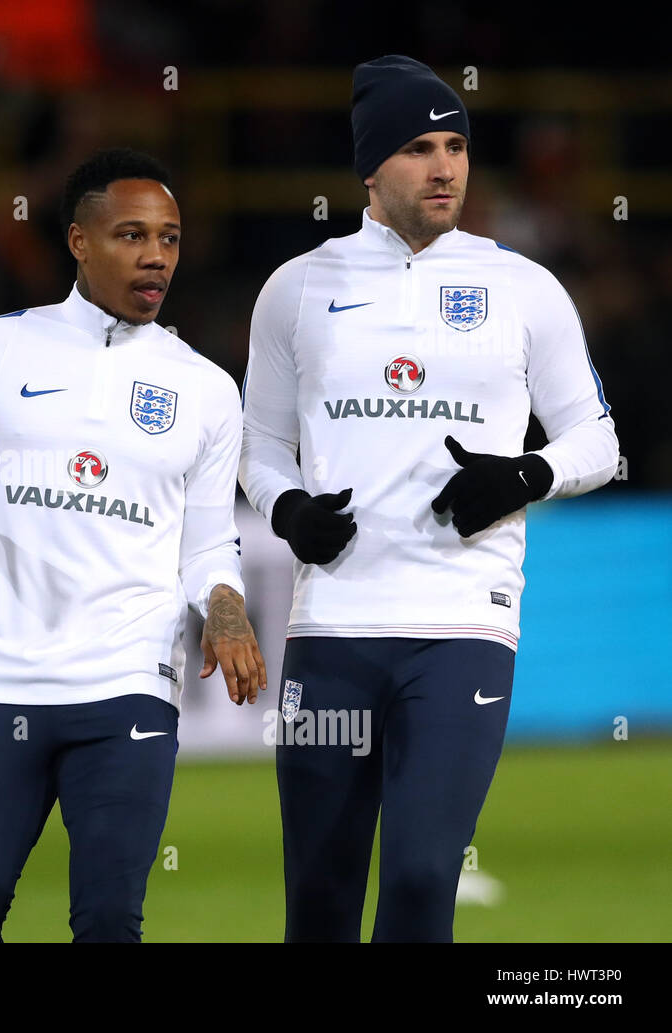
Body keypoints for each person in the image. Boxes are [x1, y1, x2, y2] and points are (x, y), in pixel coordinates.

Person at [239, 55, 620, 942]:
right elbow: (257, 447)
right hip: (332, 629)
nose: (445, 166)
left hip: (462, 628)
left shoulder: (524, 287)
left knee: (418, 883)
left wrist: (523, 474)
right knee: (322, 903)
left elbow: (598, 439)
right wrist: (289, 511)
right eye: (418, 147)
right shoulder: (295, 288)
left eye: (456, 145)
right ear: (371, 168)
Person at [0, 148, 267, 942]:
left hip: (128, 680)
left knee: (108, 921)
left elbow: (208, 541)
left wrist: (224, 603)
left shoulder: (207, 389)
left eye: (170, 237)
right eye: (132, 234)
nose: (156, 255)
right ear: (80, 242)